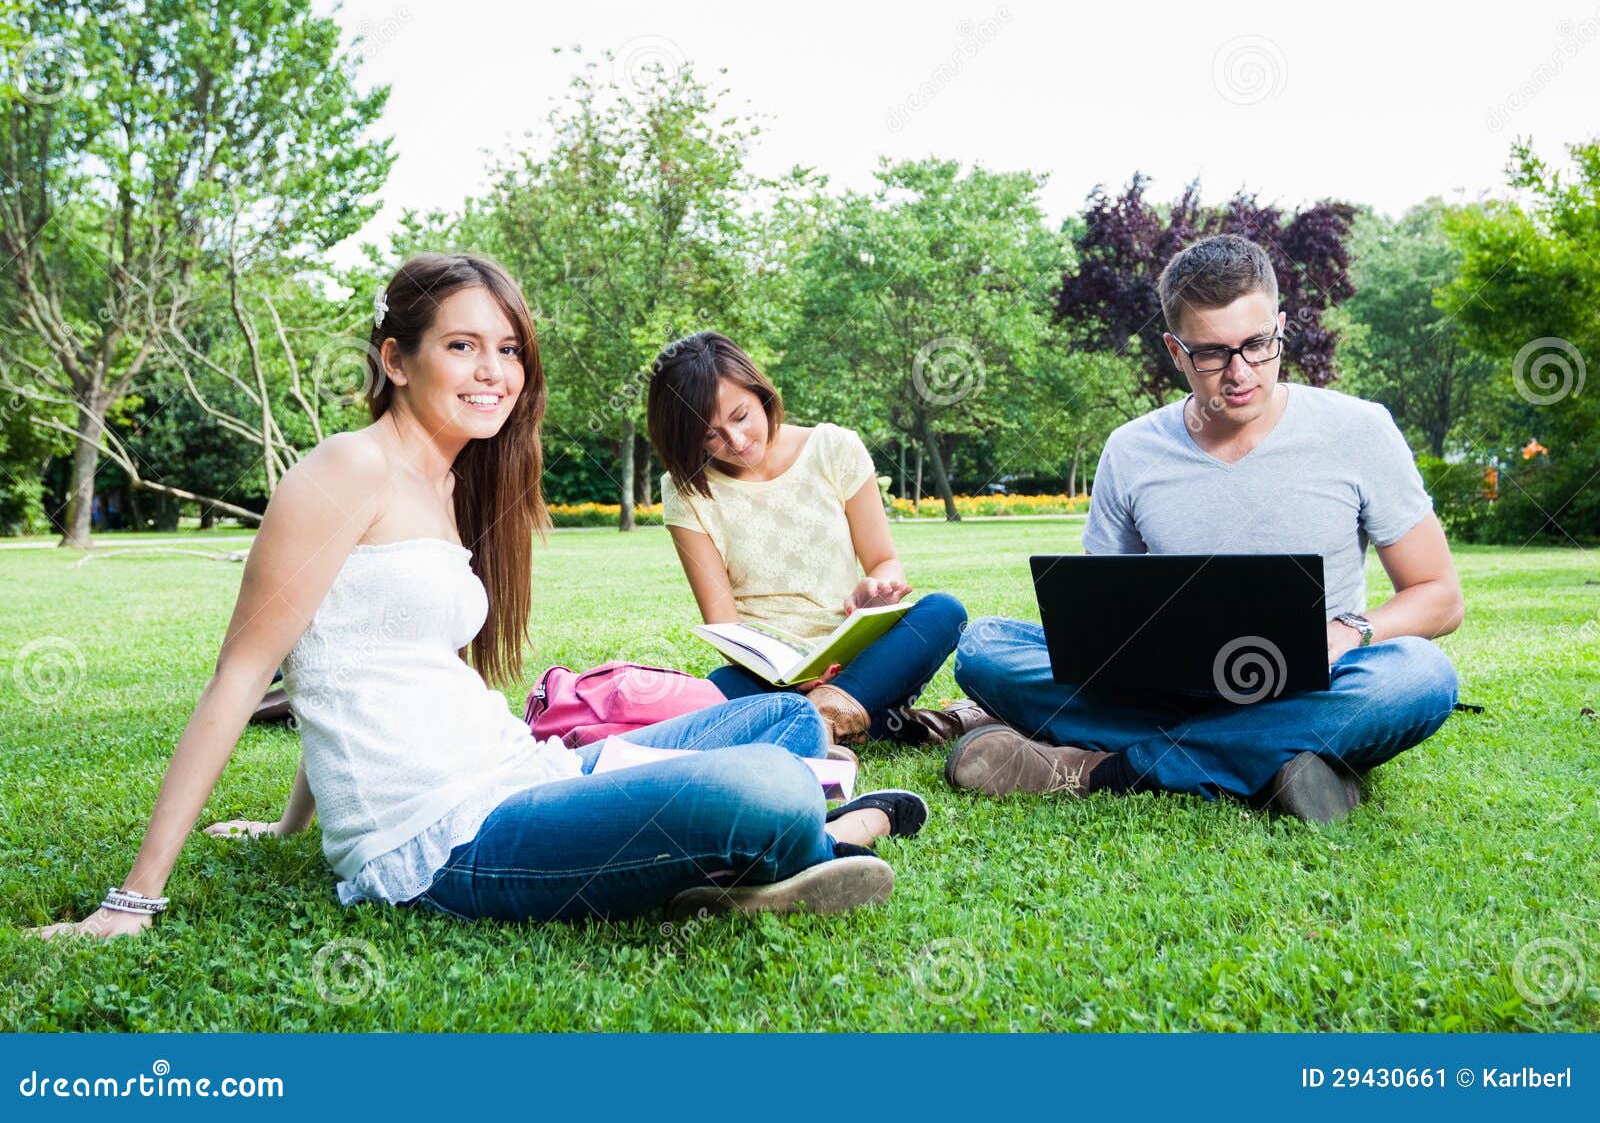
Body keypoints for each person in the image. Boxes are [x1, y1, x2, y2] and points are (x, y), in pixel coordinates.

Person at [31, 254, 929, 942]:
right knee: (769, 784)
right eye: (462, 345)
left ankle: (762, 860)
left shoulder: (450, 485)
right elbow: (247, 676)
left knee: (784, 726)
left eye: (507, 349)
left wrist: (283, 822)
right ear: (396, 357)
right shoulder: (345, 470)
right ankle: (810, 838)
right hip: (442, 836)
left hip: (516, 769)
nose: (493, 370)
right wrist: (133, 897)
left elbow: (366, 660)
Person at [922, 235, 1463, 823]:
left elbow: (1439, 596)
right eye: (1210, 354)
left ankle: (1102, 771)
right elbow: (1101, 614)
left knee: (1422, 674)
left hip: (1314, 685)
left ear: (1280, 326)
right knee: (983, 647)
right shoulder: (1130, 450)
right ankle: (1280, 760)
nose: (1240, 374)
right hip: (1161, 688)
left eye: (1258, 345)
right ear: (1175, 351)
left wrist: (1350, 630)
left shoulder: (1359, 430)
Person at [646, 331, 967, 748]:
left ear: (760, 393)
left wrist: (877, 591)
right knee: (718, 688)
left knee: (942, 612)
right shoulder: (685, 489)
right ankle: (851, 714)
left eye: (741, 416)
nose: (737, 442)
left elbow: (884, 561)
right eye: (711, 435)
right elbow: (724, 625)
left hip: (861, 657)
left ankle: (816, 721)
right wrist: (784, 674)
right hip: (772, 674)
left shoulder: (834, 447)